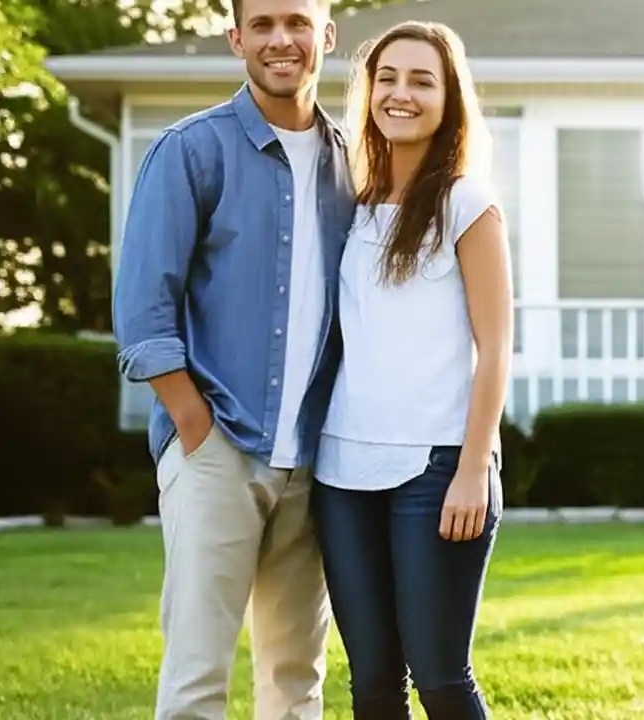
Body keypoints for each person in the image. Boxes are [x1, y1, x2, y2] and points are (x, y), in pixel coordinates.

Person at [111, 0, 354, 716]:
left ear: (326, 37)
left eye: (298, 23)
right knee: (196, 677)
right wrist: (195, 429)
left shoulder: (353, 163)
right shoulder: (191, 151)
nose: (282, 40)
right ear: (236, 39)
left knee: (295, 678)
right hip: (217, 450)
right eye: (264, 25)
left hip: (312, 462)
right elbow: (143, 314)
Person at [310, 20, 511, 720]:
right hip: (340, 473)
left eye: (422, 80)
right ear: (368, 92)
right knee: (371, 684)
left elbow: (496, 347)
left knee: (440, 678)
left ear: (449, 100)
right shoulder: (350, 206)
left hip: (435, 469)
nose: (401, 93)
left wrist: (472, 468)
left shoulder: (466, 204)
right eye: (388, 78)